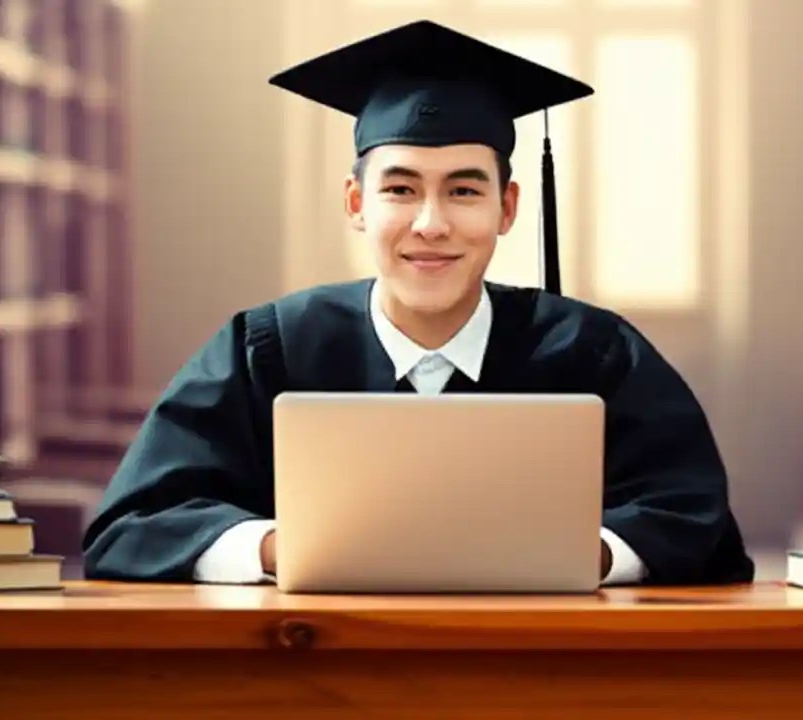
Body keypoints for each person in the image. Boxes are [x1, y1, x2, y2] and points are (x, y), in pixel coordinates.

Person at [82, 20, 754, 587]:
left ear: (507, 207)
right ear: (356, 204)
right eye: (400, 190)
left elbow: (697, 523)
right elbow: (130, 528)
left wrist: (592, 554)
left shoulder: (595, 353)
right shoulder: (271, 348)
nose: (431, 224)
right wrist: (281, 547)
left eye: (463, 191)